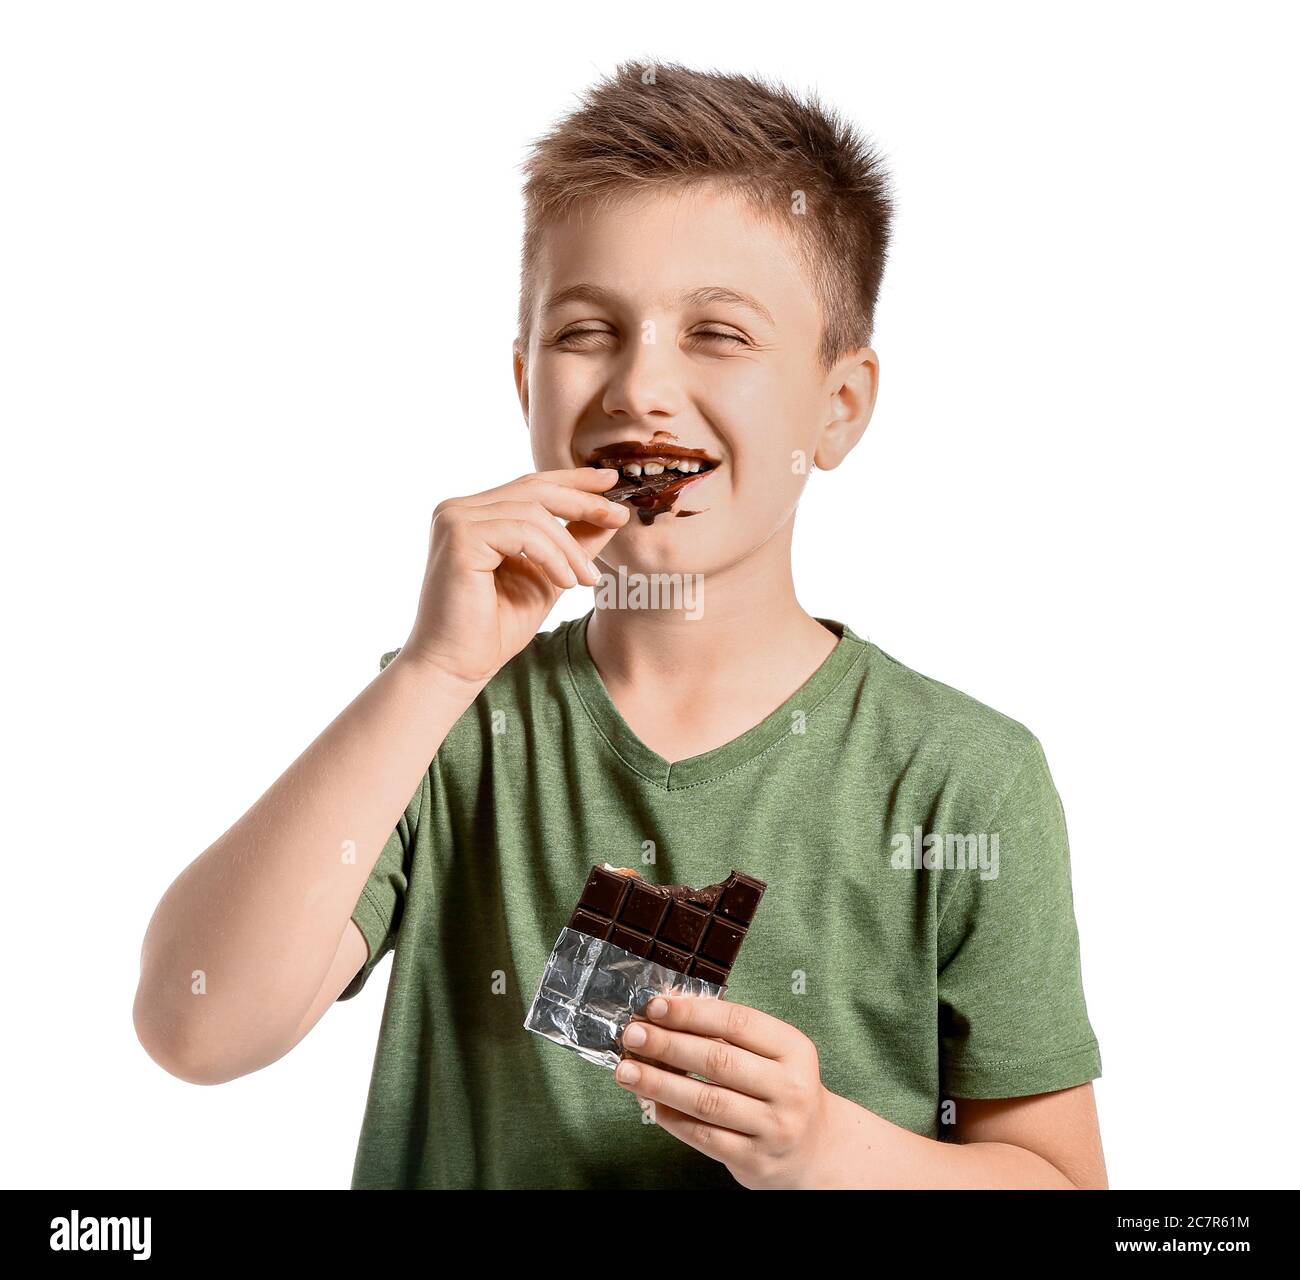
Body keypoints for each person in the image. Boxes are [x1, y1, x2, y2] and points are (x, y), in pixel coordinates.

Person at [134, 60, 1106, 1190]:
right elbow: (195, 1027)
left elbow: (1063, 1186)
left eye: (718, 334)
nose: (641, 386)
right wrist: (433, 671)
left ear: (837, 407)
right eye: (587, 330)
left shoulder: (962, 774)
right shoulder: (450, 727)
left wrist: (823, 1147)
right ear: (523, 384)